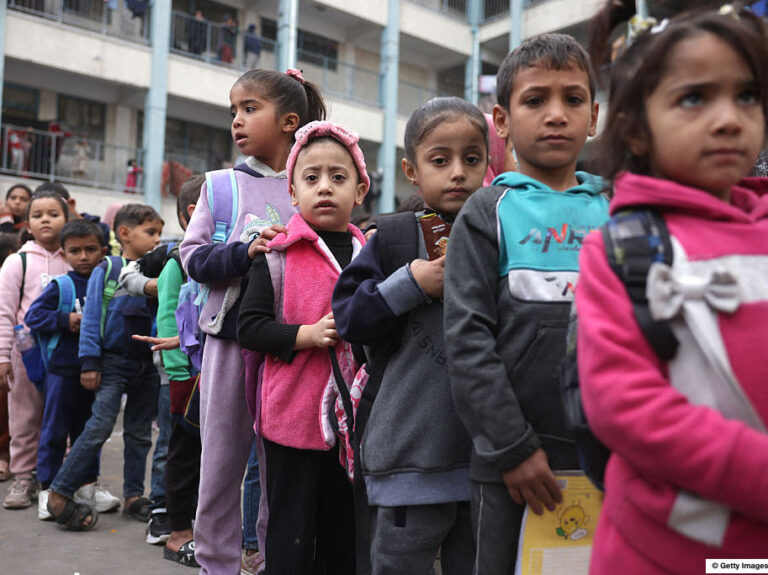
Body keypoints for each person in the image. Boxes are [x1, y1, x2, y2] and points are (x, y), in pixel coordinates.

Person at [577, 5, 768, 573]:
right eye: (694, 98)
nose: (729, 119)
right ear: (636, 128)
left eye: (747, 95)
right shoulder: (619, 249)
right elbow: (626, 406)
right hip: (659, 551)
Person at [443, 33, 609, 574]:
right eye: (535, 100)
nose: (556, 114)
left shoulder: (620, 211)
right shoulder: (485, 212)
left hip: (614, 462)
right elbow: (468, 341)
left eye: (573, 99)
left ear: (594, 116)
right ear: (502, 120)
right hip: (511, 466)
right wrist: (510, 448)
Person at [179, 68, 326, 575]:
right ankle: (215, 564)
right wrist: (243, 252)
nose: (237, 121)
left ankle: (267, 560)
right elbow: (192, 258)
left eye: (250, 108)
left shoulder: (313, 182)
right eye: (233, 111)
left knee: (279, 471)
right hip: (228, 344)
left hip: (292, 350)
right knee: (220, 465)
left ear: (290, 121)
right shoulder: (220, 186)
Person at [333, 96, 487, 575]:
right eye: (440, 160)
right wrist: (412, 283)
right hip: (408, 460)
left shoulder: (501, 235)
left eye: (472, 159)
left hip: (488, 461)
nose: (457, 173)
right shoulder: (392, 238)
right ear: (412, 171)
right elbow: (348, 319)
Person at [238, 120, 367, 574]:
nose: (324, 187)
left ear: (360, 190)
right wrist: (306, 335)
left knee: (343, 536)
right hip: (292, 420)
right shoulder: (277, 256)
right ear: (293, 193)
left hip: (354, 426)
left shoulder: (372, 256)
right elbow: (249, 327)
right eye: (311, 178)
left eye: (338, 176)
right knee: (290, 536)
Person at [46, 204, 163, 531]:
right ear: (124, 233)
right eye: (151, 232)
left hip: (148, 366)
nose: (157, 239)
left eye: (159, 232)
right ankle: (59, 492)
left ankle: (133, 497)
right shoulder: (108, 269)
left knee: (139, 434)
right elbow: (92, 318)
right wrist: (90, 362)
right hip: (113, 363)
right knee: (98, 427)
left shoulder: (159, 271)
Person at [25, 219, 120, 521]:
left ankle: (87, 487)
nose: (83, 257)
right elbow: (33, 316)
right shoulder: (61, 286)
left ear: (103, 251)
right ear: (64, 253)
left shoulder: (109, 283)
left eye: (90, 249)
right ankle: (48, 489)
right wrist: (65, 320)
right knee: (55, 431)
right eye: (75, 251)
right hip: (63, 372)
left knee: (89, 432)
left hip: (97, 371)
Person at [0, 191, 70, 509]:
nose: (46, 220)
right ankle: (24, 477)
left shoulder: (74, 259)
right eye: (38, 215)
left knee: (62, 416)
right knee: (24, 416)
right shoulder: (18, 262)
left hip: (65, 353)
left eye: (54, 214)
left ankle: (58, 479)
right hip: (25, 355)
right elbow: (4, 312)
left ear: (67, 219)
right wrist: (3, 356)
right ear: (27, 224)